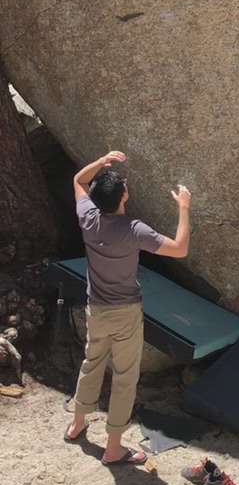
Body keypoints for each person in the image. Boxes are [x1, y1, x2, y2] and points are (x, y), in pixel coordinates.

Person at [64, 149, 192, 465]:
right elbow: (180, 248)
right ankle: (114, 448)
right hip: (125, 313)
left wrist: (100, 162)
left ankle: (78, 423)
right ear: (124, 197)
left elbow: (78, 179)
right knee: (124, 377)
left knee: (91, 363)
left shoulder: (88, 218)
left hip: (96, 309)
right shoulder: (134, 230)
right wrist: (184, 208)